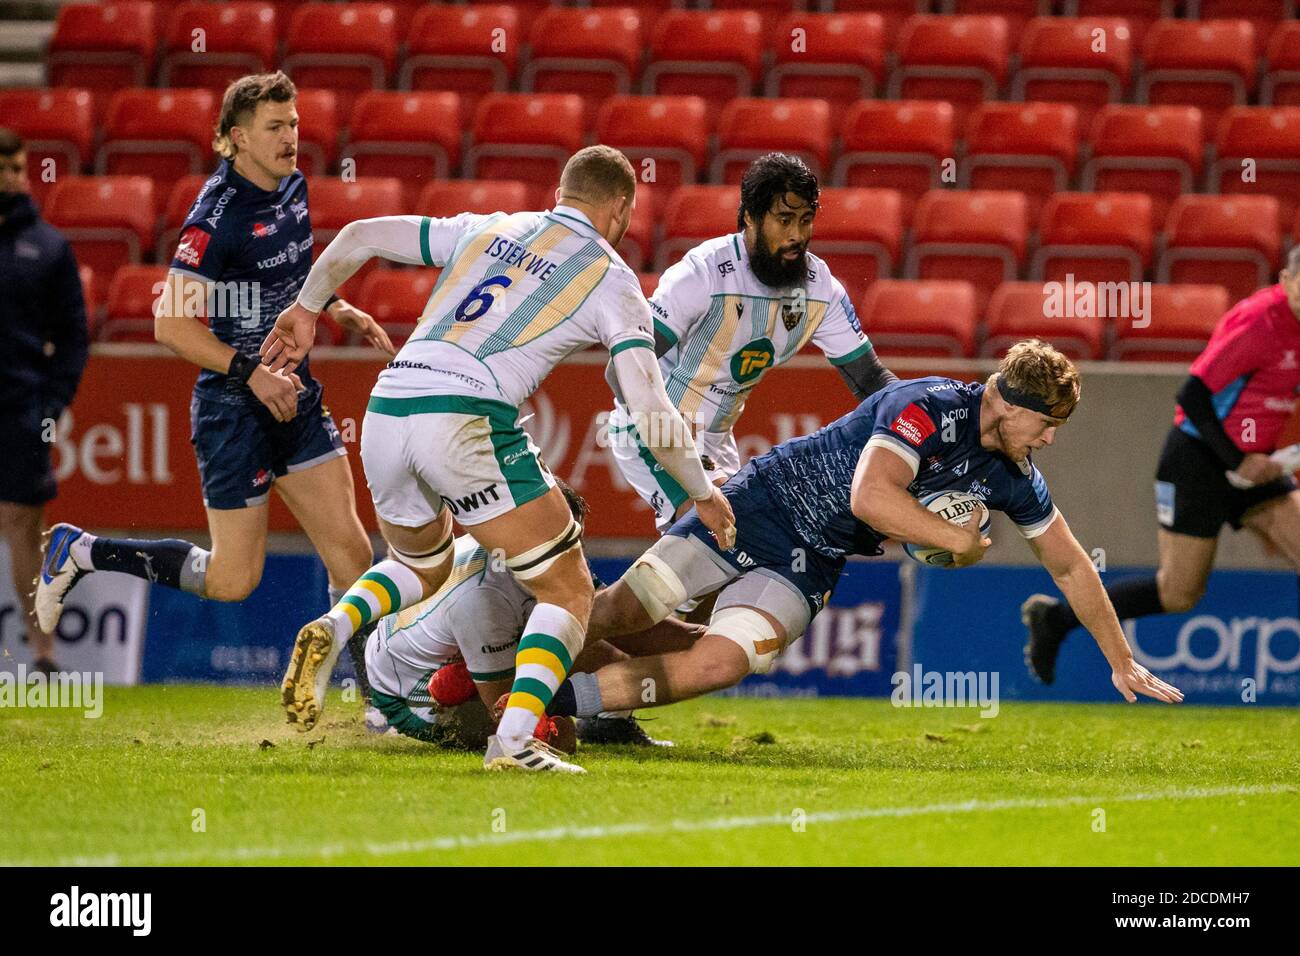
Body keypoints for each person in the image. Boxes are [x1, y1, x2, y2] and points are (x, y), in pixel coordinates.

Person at [262, 144, 736, 773]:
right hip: (466, 413)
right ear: (621, 208)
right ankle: (513, 742)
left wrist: (305, 308)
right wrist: (701, 489)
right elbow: (646, 405)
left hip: (390, 403)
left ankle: (338, 624)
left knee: (420, 565)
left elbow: (362, 234)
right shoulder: (612, 275)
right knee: (568, 589)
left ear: (563, 191)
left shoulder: (491, 225)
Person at [544, 342, 1184, 719]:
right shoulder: (926, 406)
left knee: (721, 662)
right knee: (626, 607)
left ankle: (547, 708)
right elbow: (871, 495)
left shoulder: (1015, 476)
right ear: (1011, 407)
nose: (1050, 439)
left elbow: (1069, 565)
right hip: (758, 505)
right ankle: (491, 663)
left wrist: (1120, 659)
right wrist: (953, 536)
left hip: (812, 561)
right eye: (1048, 425)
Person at [35, 73, 392, 698]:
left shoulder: (292, 186)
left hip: (295, 397)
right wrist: (250, 373)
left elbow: (290, 264)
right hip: (234, 409)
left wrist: (334, 308)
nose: (291, 139)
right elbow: (170, 324)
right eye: (275, 129)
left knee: (353, 557)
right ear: (236, 138)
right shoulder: (214, 218)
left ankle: (377, 699)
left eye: (294, 124)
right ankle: (82, 551)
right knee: (232, 580)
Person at [1023, 251, 1300, 683]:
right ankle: (1056, 619)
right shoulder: (1261, 322)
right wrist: (1238, 460)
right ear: (1286, 278)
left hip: (1259, 467)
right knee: (1178, 593)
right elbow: (1191, 395)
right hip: (1200, 460)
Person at [609, 153, 895, 533]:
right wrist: (662, 431)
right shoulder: (703, 273)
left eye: (805, 220)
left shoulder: (820, 289)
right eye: (784, 220)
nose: (797, 235)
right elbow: (622, 369)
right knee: (713, 539)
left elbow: (870, 379)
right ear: (750, 217)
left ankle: (601, 595)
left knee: (726, 564)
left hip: (716, 441)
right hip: (654, 430)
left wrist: (916, 417)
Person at [365, 481, 697, 747]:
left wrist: (708, 641)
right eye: (562, 546)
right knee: (558, 737)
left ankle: (610, 728)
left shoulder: (547, 552)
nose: (572, 558)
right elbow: (505, 708)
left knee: (599, 650)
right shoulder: (484, 598)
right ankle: (391, 719)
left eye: (574, 545)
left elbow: (622, 623)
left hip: (452, 644)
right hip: (410, 691)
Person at [0, 128, 89, 675]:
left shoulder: (50, 248)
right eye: (3, 168)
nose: (12, 178)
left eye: (18, 168)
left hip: (22, 409)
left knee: (23, 524)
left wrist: (50, 407)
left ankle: (43, 655)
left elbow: (74, 338)